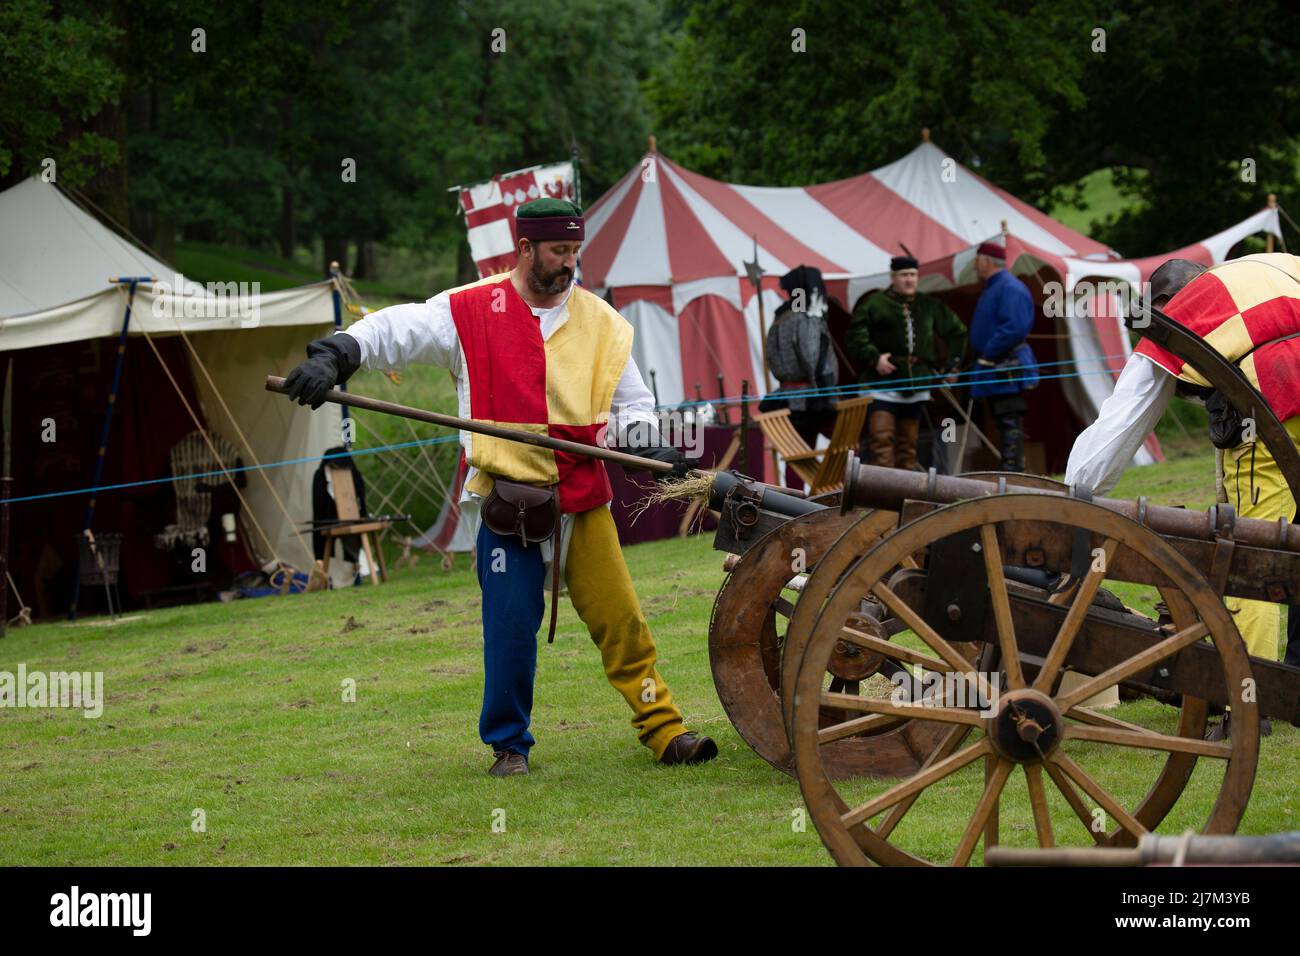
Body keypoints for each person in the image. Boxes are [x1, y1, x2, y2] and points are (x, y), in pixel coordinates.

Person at [283, 198, 717, 775]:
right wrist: (336, 355)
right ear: (524, 250)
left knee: (623, 622)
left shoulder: (604, 324)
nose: (570, 264)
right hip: (507, 506)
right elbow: (394, 329)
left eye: (575, 251)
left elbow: (632, 406)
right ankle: (510, 746)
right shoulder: (468, 310)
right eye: (559, 251)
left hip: (582, 502)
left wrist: (644, 447)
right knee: (510, 630)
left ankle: (666, 732)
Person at [1066, 253, 1300, 738]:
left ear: (1166, 303)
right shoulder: (1273, 265)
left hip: (1275, 420)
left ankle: (1248, 711)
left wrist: (1074, 497)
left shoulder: (1184, 316)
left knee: (1252, 560)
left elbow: (1122, 423)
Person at [848, 255, 966, 470]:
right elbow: (856, 335)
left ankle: (902, 500)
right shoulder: (875, 304)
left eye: (913, 275)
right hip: (881, 384)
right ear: (893, 277)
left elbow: (957, 332)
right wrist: (875, 358)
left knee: (908, 446)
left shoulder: (928, 305)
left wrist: (952, 365)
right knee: (881, 442)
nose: (909, 280)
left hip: (916, 384)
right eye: (904, 275)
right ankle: (882, 499)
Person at [765, 265, 838, 489]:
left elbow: (772, 360)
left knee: (797, 456)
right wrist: (822, 390)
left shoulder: (780, 319)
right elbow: (811, 357)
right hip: (812, 399)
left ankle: (798, 502)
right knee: (845, 447)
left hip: (789, 396)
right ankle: (839, 492)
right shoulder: (806, 318)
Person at [969, 241, 1037, 471]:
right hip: (994, 364)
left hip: (1005, 363)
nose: (974, 266)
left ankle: (1013, 470)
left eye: (977, 261)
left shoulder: (1010, 287)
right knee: (1002, 419)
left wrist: (989, 353)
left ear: (987, 261)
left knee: (1009, 419)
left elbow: (1014, 328)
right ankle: (1010, 469)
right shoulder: (994, 286)